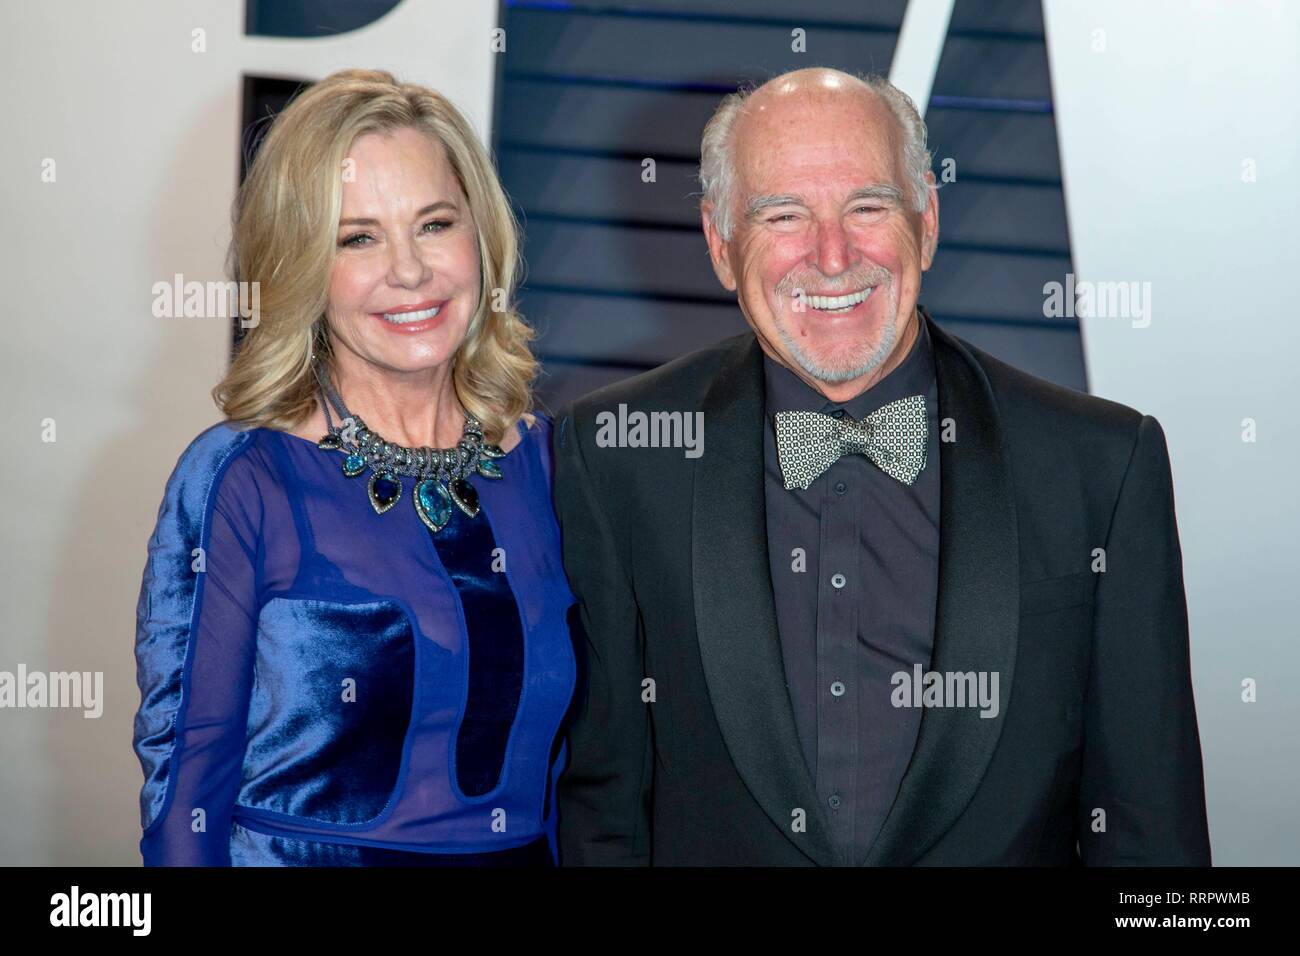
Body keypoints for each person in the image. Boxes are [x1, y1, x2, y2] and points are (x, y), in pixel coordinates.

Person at [552, 67, 1211, 865]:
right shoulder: (616, 456)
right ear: (720, 245)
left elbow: (1154, 843)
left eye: (868, 207)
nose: (832, 257)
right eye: (783, 215)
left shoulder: (1101, 468)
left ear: (926, 222)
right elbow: (603, 818)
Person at [132, 69, 576, 866]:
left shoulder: (548, 463)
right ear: (302, 266)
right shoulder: (245, 479)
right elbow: (184, 799)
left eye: (435, 224)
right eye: (357, 237)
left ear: (483, 237)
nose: (409, 271)